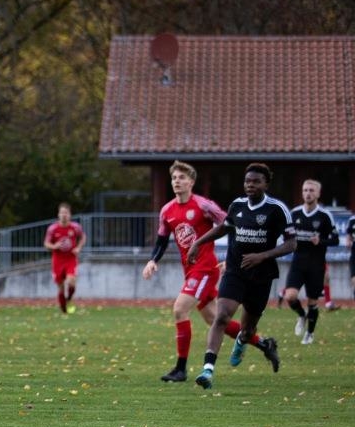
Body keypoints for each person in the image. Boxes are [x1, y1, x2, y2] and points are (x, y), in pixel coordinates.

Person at [142, 161, 275, 382]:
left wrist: (230, 259)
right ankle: (264, 343)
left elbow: (231, 225)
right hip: (190, 270)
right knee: (214, 319)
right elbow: (162, 240)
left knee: (179, 309)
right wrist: (153, 260)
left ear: (191, 182)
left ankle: (180, 369)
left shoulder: (204, 205)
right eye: (174, 178)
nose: (177, 181)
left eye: (182, 178)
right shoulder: (167, 210)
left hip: (205, 269)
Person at [188, 163, 295, 390]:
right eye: (247, 181)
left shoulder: (277, 209)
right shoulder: (237, 205)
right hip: (235, 271)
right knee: (222, 316)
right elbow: (224, 228)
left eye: (256, 181)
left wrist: (262, 255)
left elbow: (291, 243)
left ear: (266, 184)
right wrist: (198, 241)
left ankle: (246, 341)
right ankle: (207, 370)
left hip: (261, 275)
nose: (250, 185)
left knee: (247, 331)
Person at [283, 180, 339, 344]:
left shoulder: (324, 216)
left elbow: (335, 239)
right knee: (290, 296)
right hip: (298, 262)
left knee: (313, 302)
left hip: (316, 264)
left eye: (311, 190)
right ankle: (301, 315)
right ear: (302, 193)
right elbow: (286, 234)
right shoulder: (294, 214)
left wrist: (320, 241)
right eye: (305, 190)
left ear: (318, 194)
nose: (308, 193)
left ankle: (310, 334)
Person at [43, 203, 86, 313]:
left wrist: (78, 248)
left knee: (71, 281)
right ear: (58, 214)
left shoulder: (75, 227)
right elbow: (46, 244)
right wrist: (54, 246)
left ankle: (69, 298)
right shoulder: (52, 229)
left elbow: (83, 237)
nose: (64, 215)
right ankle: (64, 310)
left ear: (70, 215)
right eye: (62, 213)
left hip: (70, 258)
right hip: (57, 260)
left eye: (66, 213)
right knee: (61, 287)